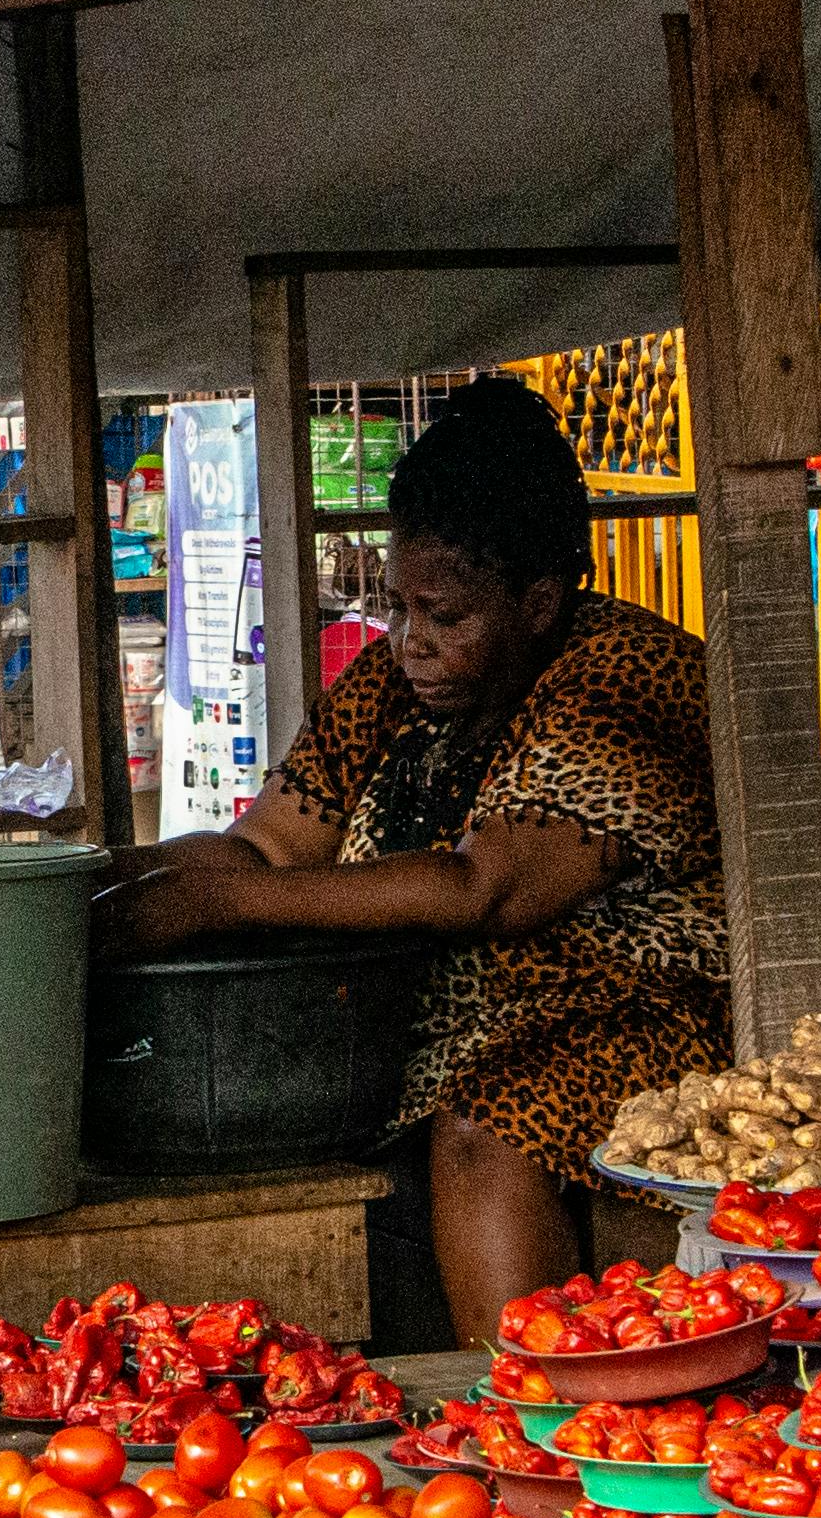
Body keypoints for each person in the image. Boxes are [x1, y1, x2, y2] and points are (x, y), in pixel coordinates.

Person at [96, 380, 728, 1338]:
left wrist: (214, 907)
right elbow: (267, 843)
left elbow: (484, 889)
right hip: (438, 1029)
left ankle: (533, 1413)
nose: (413, 643)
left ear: (541, 601)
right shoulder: (390, 684)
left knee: (490, 1131)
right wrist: (112, 877)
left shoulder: (627, 683)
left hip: (666, 1010)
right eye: (400, 607)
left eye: (445, 616)